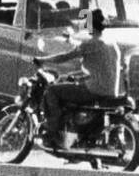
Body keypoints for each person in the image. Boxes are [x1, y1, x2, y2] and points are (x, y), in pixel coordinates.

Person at [34, 9, 123, 149]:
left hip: (95, 90)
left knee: (51, 91)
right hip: (112, 89)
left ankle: (52, 133)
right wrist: (70, 40)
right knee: (69, 85)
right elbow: (91, 57)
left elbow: (66, 56)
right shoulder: (111, 43)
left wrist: (42, 60)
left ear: (92, 25)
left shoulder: (92, 43)